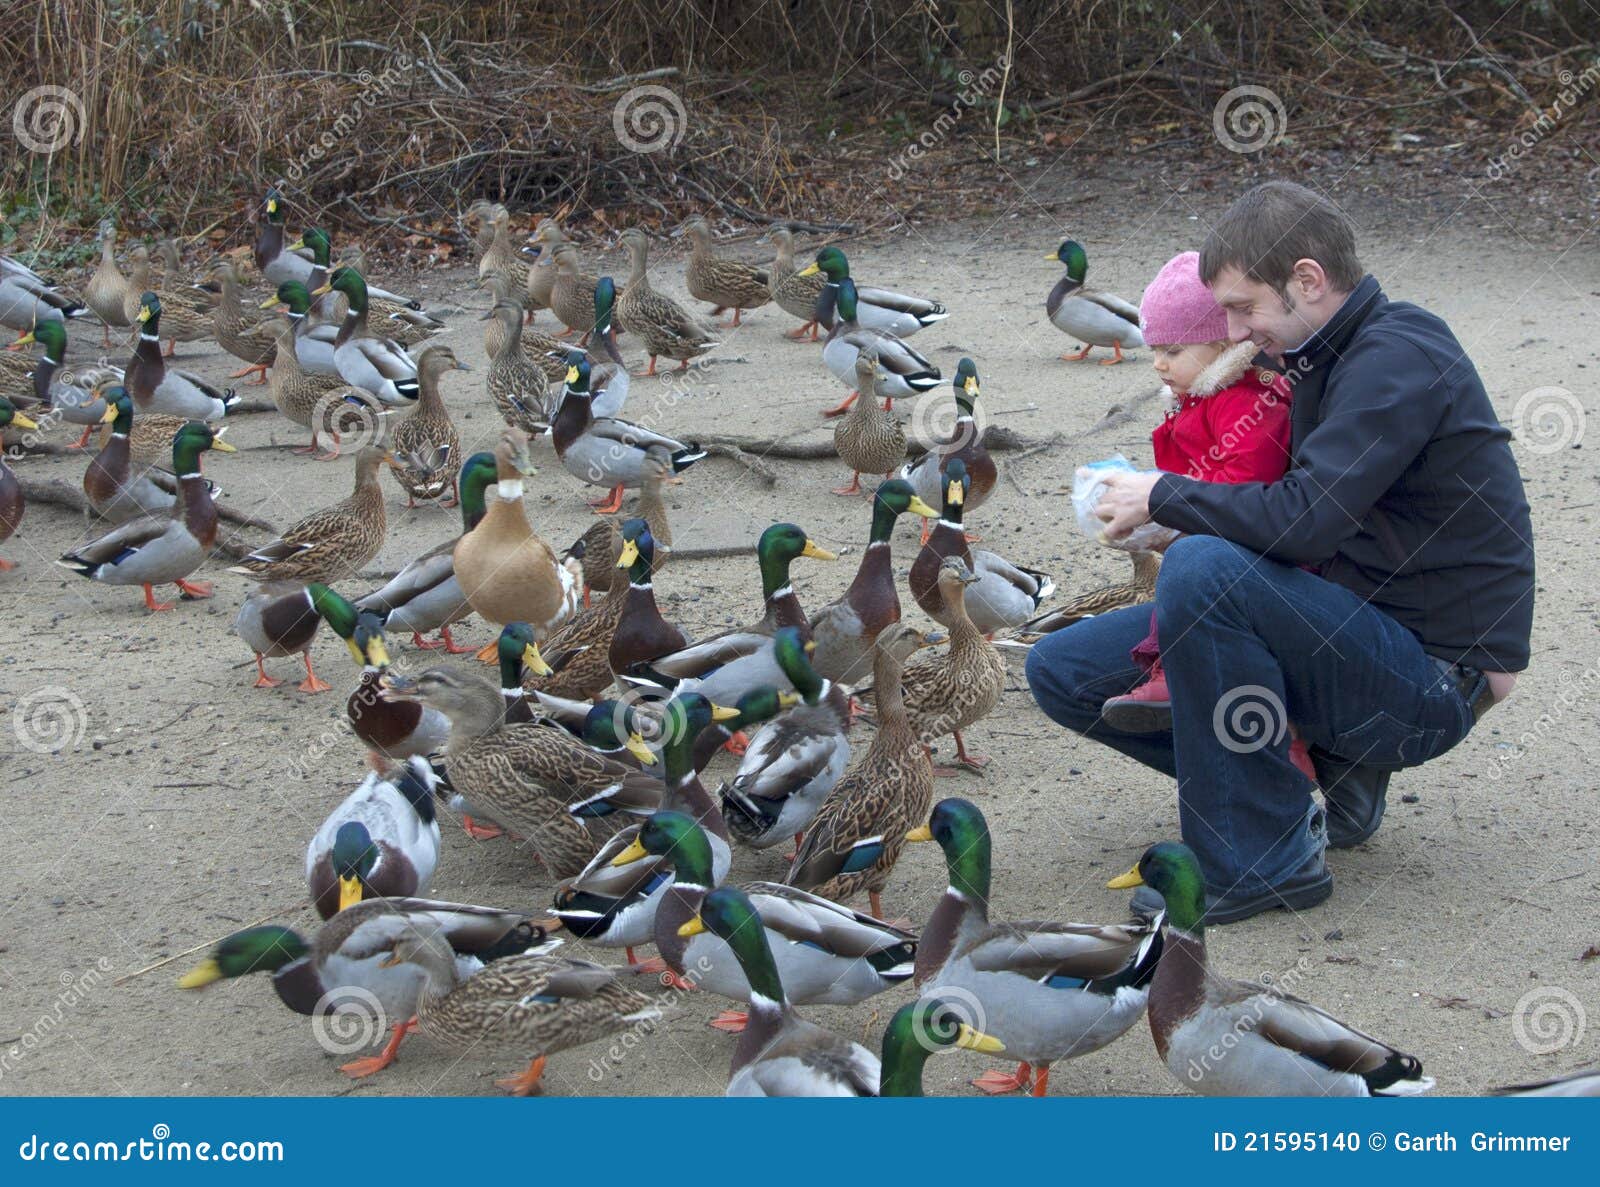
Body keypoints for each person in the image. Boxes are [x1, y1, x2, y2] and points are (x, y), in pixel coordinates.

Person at [1026, 181, 1534, 925]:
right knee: (1062, 669)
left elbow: (1306, 521)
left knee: (1205, 574)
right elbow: (1292, 511)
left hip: (1433, 677)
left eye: (1243, 307)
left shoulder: (1396, 356)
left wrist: (1166, 496)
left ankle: (1262, 857)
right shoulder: (1317, 357)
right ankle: (1318, 784)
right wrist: (1172, 516)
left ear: (1307, 279)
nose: (1233, 329)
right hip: (1356, 638)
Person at [1096, 251, 1302, 793]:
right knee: (1185, 580)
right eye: (1155, 352)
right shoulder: (1201, 400)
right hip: (1215, 531)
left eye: (1173, 350)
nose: (1160, 364)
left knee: (1196, 580)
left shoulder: (1248, 402)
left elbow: (1242, 485)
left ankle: (1176, 680)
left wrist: (1174, 507)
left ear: (1224, 347)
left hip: (1249, 544)